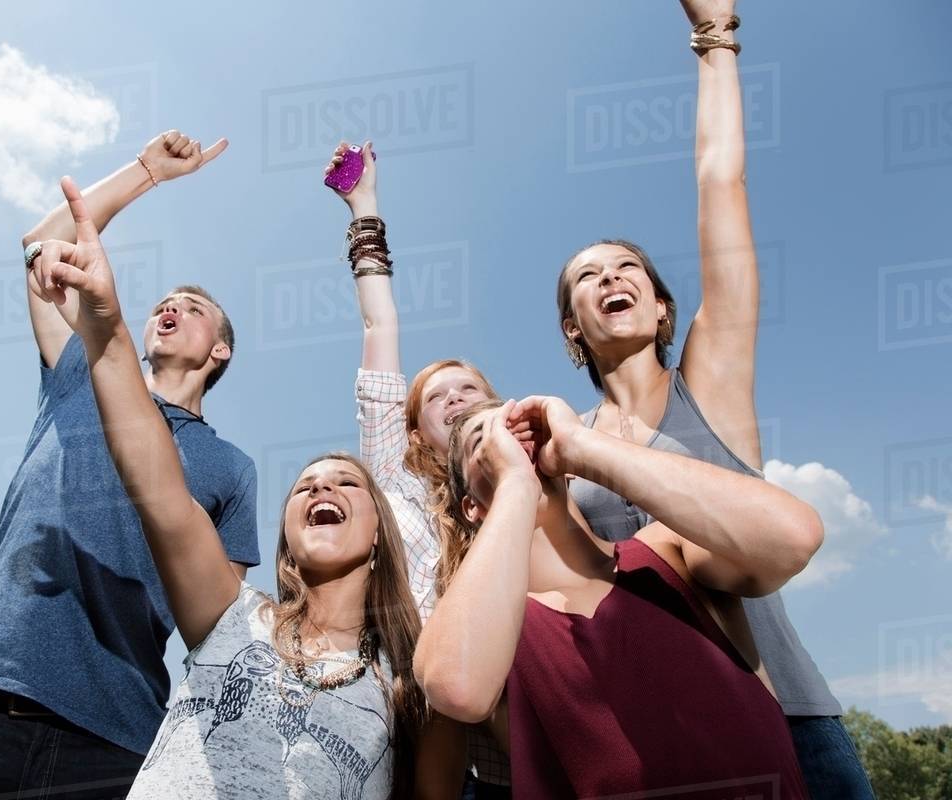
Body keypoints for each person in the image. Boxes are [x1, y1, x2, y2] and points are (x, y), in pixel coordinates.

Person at [32, 176, 463, 799]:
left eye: (346, 482)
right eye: (304, 487)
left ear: (380, 532)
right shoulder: (231, 615)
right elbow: (159, 488)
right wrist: (108, 327)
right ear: (283, 538)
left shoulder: (414, 686)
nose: (321, 489)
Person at [0, 132, 261, 800]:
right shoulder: (80, 372)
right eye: (162, 305)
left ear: (221, 351)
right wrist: (148, 172)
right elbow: (40, 242)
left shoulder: (231, 469)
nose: (169, 308)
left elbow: (217, 623)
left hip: (111, 741)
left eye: (193, 308)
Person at [556, 4, 874, 796]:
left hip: (788, 719)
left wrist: (716, 36)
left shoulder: (710, 388)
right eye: (590, 277)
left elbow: (719, 179)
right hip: (649, 730)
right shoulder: (562, 444)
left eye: (629, 267)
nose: (612, 278)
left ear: (663, 309)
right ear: (574, 329)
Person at [417, 397, 823, 798]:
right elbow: (458, 689)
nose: (507, 441)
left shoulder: (668, 549)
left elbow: (794, 538)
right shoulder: (490, 628)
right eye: (483, 442)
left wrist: (578, 444)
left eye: (518, 427)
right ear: (471, 507)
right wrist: (514, 485)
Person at [326, 142, 514, 796]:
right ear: (410, 427)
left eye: (469, 389)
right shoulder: (394, 474)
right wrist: (364, 206)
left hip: (513, 752)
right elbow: (381, 320)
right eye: (437, 395)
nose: (456, 398)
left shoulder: (529, 487)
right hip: (411, 725)